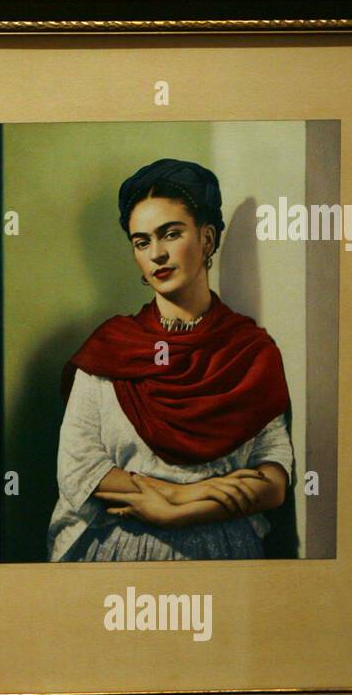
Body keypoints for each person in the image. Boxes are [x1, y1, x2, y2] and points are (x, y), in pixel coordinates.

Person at [47, 158, 297, 562]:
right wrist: (187, 492)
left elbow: (273, 480)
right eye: (142, 241)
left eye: (171, 234)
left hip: (224, 552)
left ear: (208, 239)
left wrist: (178, 515)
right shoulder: (111, 348)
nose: (157, 254)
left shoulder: (249, 350)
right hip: (118, 554)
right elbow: (79, 470)